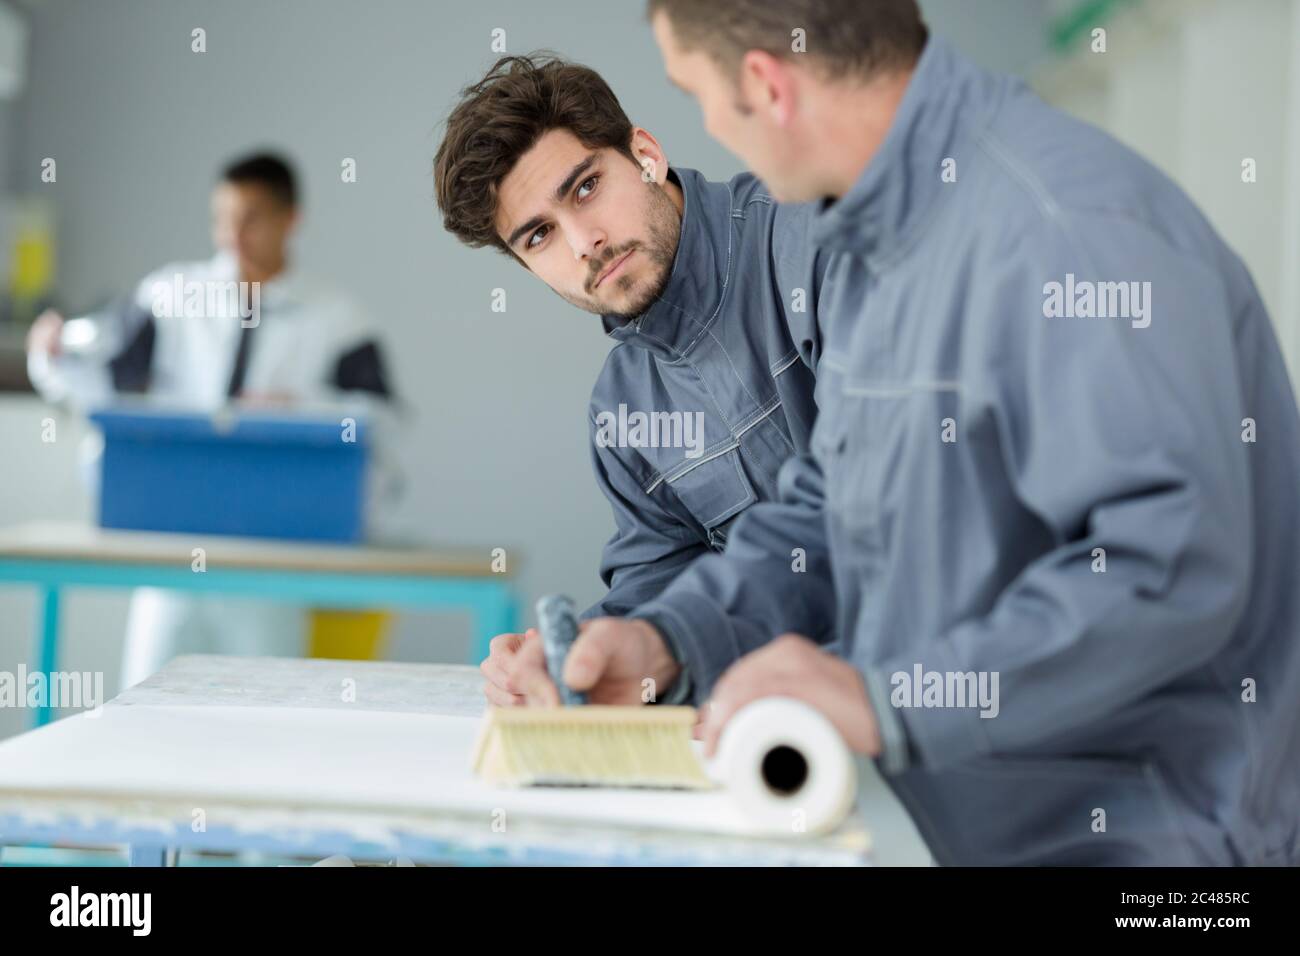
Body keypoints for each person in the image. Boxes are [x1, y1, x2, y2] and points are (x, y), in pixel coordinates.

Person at [504, 0, 1300, 865]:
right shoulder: (888, 244)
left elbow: (1169, 568)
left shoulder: (1061, 228)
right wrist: (667, 639)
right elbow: (833, 507)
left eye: (697, 95)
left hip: (1168, 852)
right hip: (965, 821)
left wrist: (886, 699)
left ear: (765, 87)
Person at [432, 55, 827, 707]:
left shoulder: (810, 241)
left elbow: (873, 501)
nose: (583, 243)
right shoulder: (622, 410)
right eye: (539, 236)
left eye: (584, 188)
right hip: (789, 735)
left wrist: (671, 638)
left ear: (644, 152)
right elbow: (659, 585)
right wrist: (580, 657)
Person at [27, 152, 398, 687]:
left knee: (264, 710)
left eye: (251, 218)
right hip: (171, 544)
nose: (233, 235)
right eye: (222, 218)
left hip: (271, 554)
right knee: (147, 706)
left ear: (290, 219)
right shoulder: (170, 294)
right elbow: (108, 382)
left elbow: (380, 421)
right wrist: (53, 355)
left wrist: (300, 411)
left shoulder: (337, 317)